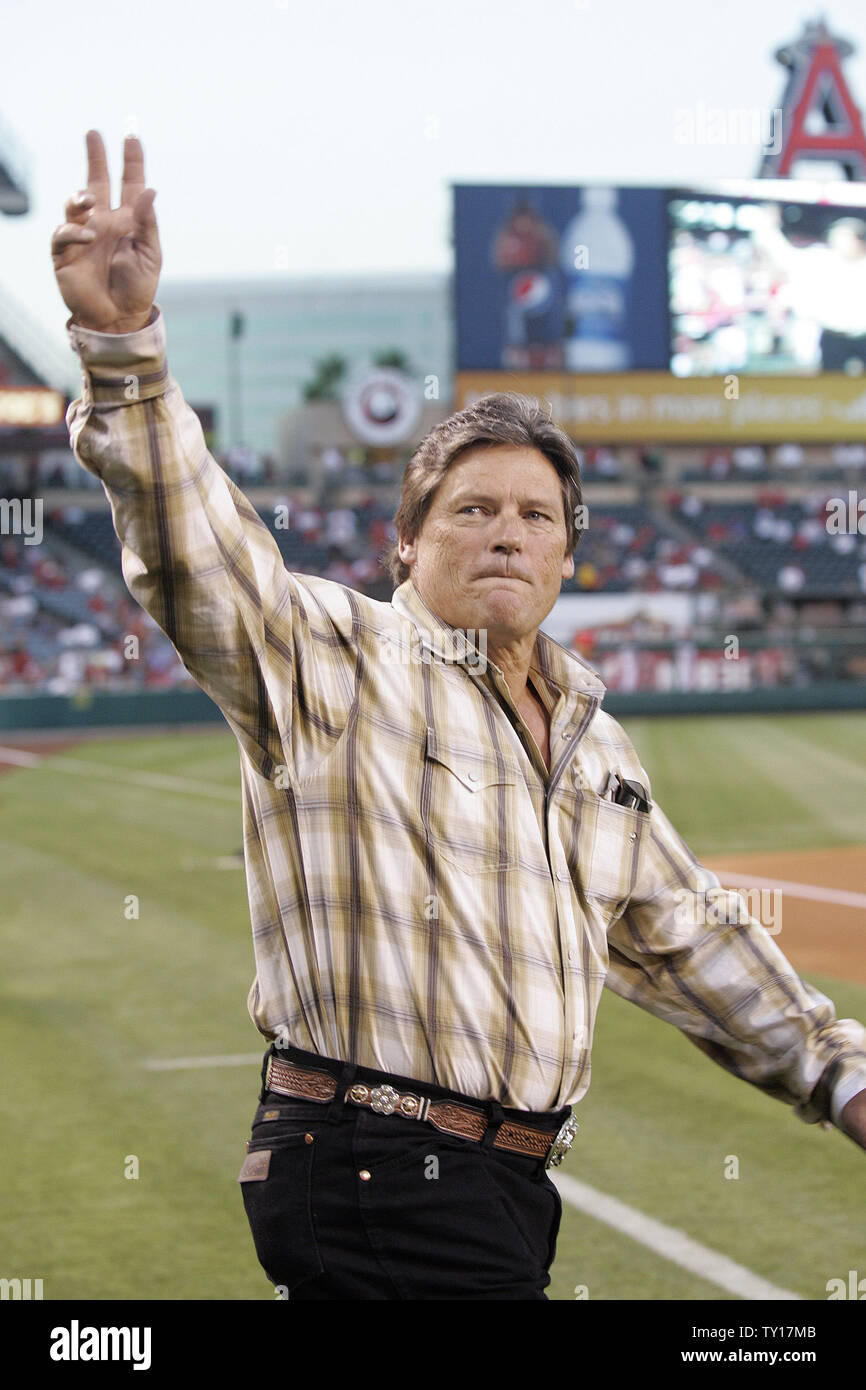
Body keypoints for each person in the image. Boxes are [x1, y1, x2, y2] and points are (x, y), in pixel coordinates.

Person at [52, 132, 866, 1302]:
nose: (505, 532)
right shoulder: (339, 655)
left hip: (501, 1185)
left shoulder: (590, 736)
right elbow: (201, 559)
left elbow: (685, 934)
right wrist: (127, 354)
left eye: (536, 515)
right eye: (471, 507)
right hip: (377, 1157)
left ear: (567, 554)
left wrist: (833, 1071)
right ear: (406, 540)